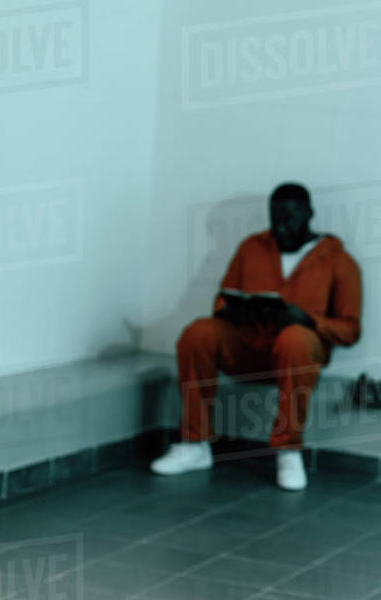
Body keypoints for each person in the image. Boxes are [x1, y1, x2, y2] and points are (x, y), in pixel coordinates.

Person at [150, 182, 362, 490]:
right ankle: (194, 444)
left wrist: (307, 319)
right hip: (249, 346)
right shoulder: (252, 247)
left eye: (288, 219)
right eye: (274, 218)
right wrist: (235, 312)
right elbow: (222, 301)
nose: (280, 227)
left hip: (297, 353)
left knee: (295, 339)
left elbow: (351, 329)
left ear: (308, 214)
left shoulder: (339, 262)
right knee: (198, 333)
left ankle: (288, 449)